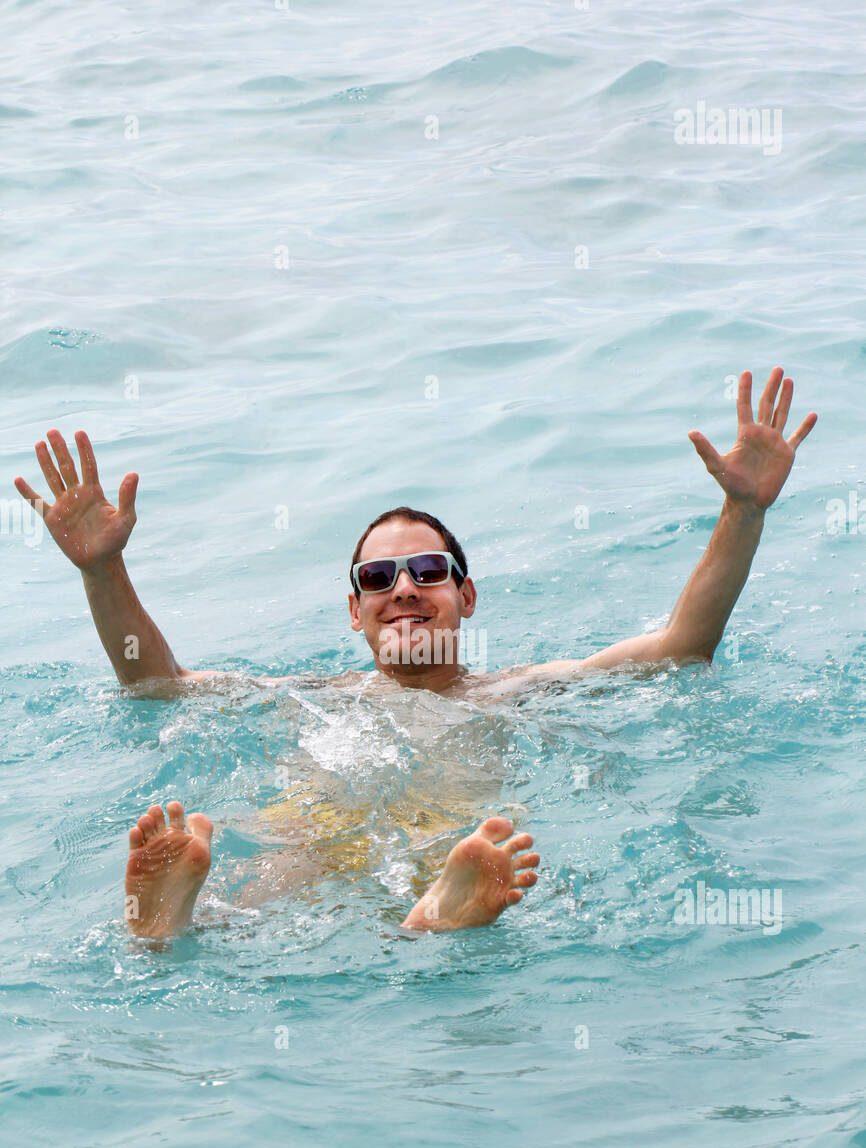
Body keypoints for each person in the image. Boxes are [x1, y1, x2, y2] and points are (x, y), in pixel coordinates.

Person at [14, 367, 816, 939]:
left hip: (439, 833)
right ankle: (171, 923)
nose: (403, 587)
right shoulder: (305, 692)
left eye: (428, 571)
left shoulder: (522, 689)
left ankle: (429, 908)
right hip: (326, 832)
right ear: (355, 613)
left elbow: (681, 647)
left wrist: (742, 511)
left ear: (466, 598)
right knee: (287, 875)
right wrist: (102, 566)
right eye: (379, 577)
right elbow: (157, 683)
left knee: (381, 870)